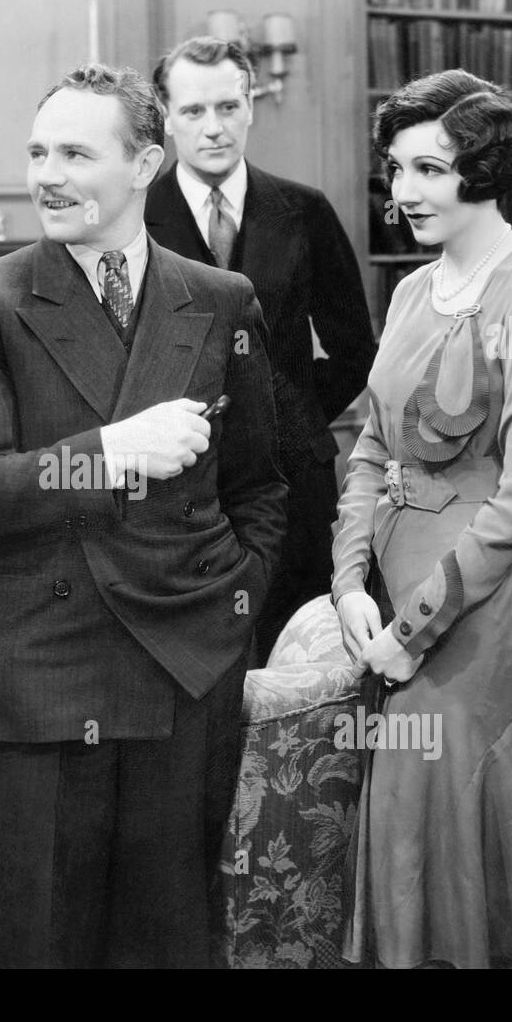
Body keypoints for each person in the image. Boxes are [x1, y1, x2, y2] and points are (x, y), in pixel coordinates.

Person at [0, 63, 287, 968]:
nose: (47, 173)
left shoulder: (221, 299)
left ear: (146, 165)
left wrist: (230, 604)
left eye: (76, 153)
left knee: (169, 943)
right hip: (47, 675)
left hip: (186, 670)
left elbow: (261, 490)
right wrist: (113, 451)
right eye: (38, 151)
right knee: (44, 942)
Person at [332, 69, 512, 968]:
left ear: (483, 169)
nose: (404, 192)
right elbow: (367, 448)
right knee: (398, 830)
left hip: (466, 619)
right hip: (385, 601)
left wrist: (412, 628)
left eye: (429, 169)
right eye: (396, 169)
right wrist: (348, 580)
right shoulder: (407, 292)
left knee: (442, 819)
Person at [146, 36, 376, 663]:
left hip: (293, 480)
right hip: (180, 486)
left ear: (251, 105)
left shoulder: (304, 211)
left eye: (228, 106)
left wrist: (285, 418)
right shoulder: (135, 217)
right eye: (193, 111)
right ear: (165, 118)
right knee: (197, 662)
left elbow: (356, 349)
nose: (214, 128)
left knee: (300, 658)